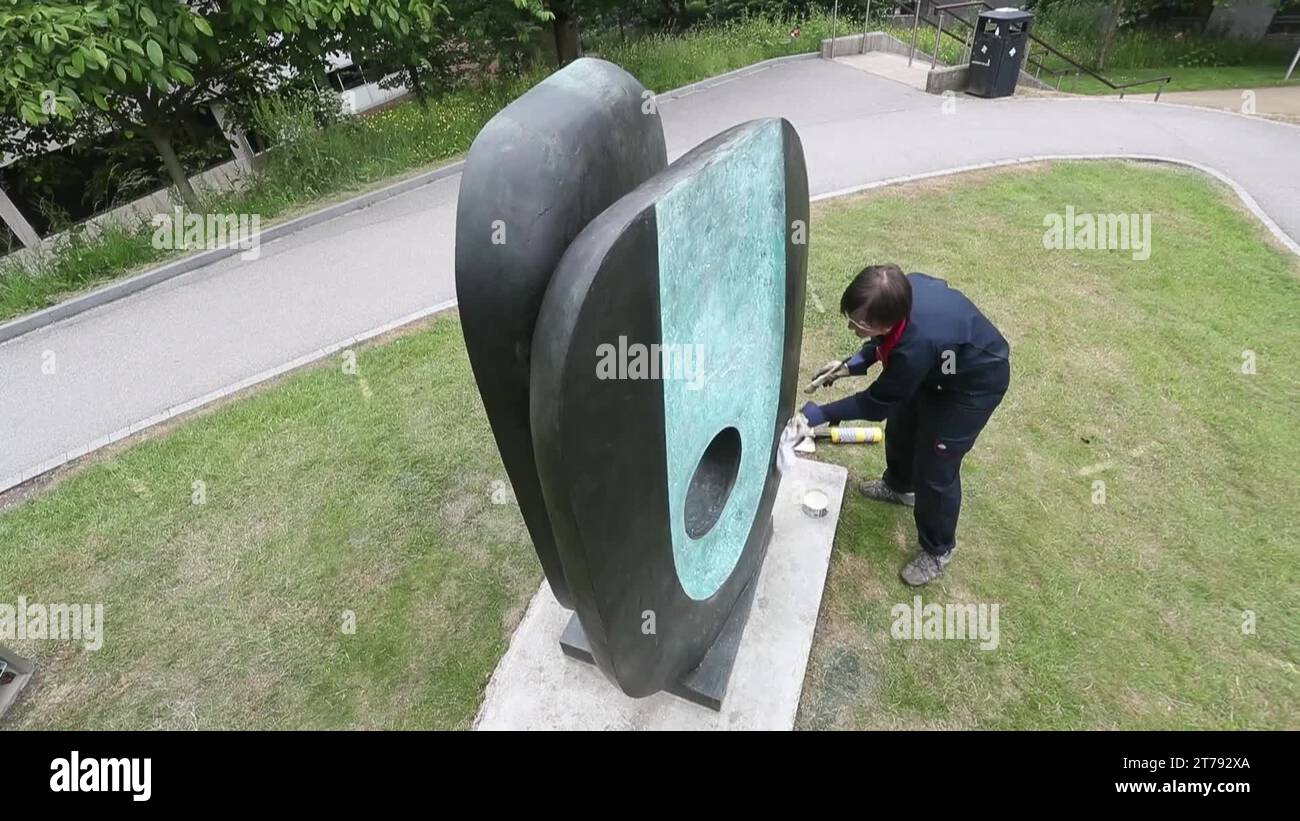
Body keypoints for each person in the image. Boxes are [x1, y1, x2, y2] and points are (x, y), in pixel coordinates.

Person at [794, 264, 1011, 585]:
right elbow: (886, 342)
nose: (853, 329)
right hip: (936, 368)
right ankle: (899, 487)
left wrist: (817, 414)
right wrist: (851, 365)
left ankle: (938, 550)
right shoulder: (900, 291)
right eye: (851, 319)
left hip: (972, 385)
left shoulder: (917, 348)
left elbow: (875, 404)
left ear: (884, 320)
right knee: (902, 425)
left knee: (936, 465)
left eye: (859, 325)